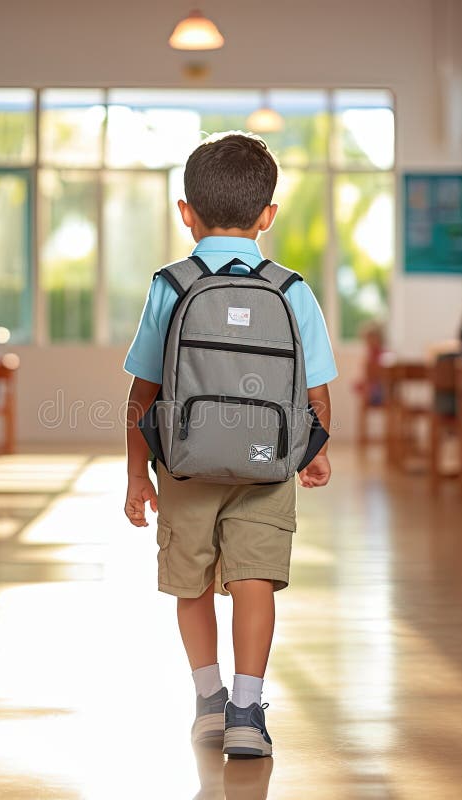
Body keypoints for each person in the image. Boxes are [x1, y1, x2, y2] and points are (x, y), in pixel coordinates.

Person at [123, 132, 337, 758]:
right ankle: (248, 709)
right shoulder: (292, 289)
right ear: (268, 215)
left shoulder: (171, 284)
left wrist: (139, 474)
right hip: (267, 465)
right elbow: (315, 385)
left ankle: (208, 701)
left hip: (184, 466)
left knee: (190, 583)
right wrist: (316, 447)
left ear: (184, 211)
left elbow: (143, 394)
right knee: (255, 581)